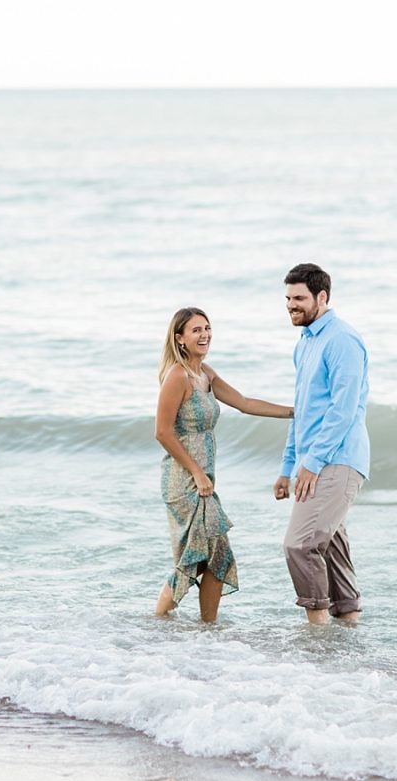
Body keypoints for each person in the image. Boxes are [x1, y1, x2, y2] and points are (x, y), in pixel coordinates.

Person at [154, 307, 293, 621]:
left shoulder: (206, 374)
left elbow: (244, 403)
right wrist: (197, 472)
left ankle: (206, 630)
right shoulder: (177, 376)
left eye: (207, 328)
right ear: (180, 339)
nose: (204, 335)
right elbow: (162, 432)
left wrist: (295, 412)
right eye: (196, 330)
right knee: (196, 559)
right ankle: (158, 621)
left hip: (203, 480)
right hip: (183, 482)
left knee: (216, 558)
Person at [274, 263, 370, 625]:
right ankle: (348, 631)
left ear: (322, 297)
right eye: (288, 298)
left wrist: (312, 464)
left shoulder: (342, 339)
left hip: (339, 459)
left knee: (300, 544)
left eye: (299, 298)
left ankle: (316, 636)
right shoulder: (306, 343)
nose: (291, 305)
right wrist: (288, 468)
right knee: (331, 549)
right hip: (315, 460)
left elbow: (342, 410)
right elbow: (303, 412)